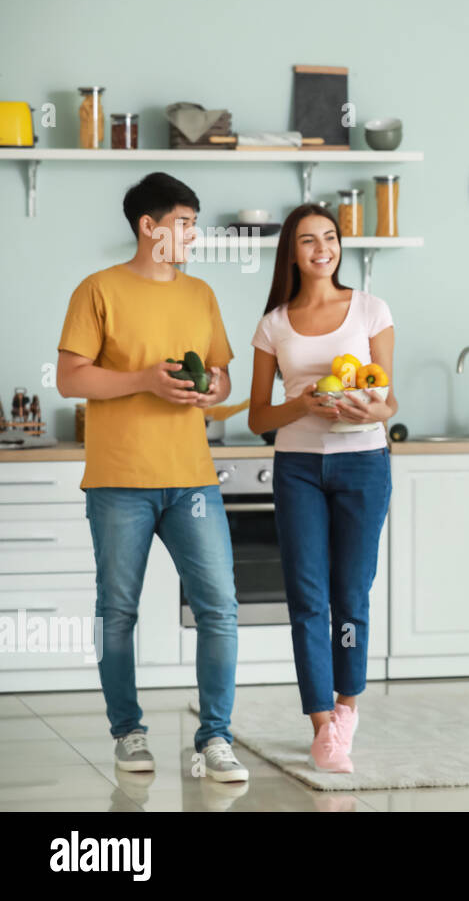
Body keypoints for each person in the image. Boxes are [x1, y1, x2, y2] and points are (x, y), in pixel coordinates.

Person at [55, 172, 248, 782]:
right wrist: (144, 380)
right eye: (184, 223)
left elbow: (222, 376)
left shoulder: (201, 294)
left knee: (219, 608)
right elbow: (70, 378)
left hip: (192, 479)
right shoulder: (98, 289)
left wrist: (213, 389)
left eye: (194, 224)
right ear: (149, 226)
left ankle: (215, 738)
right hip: (120, 479)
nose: (193, 234)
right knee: (117, 611)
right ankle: (128, 733)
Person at [247, 204, 396, 773]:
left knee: (351, 593)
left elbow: (389, 400)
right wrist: (303, 405)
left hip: (364, 464)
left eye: (330, 237)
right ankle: (321, 725)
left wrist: (368, 408)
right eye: (308, 240)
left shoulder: (371, 310)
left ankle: (347, 707)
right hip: (299, 468)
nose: (322, 249)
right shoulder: (273, 324)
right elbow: (259, 417)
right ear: (292, 251)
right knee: (308, 596)